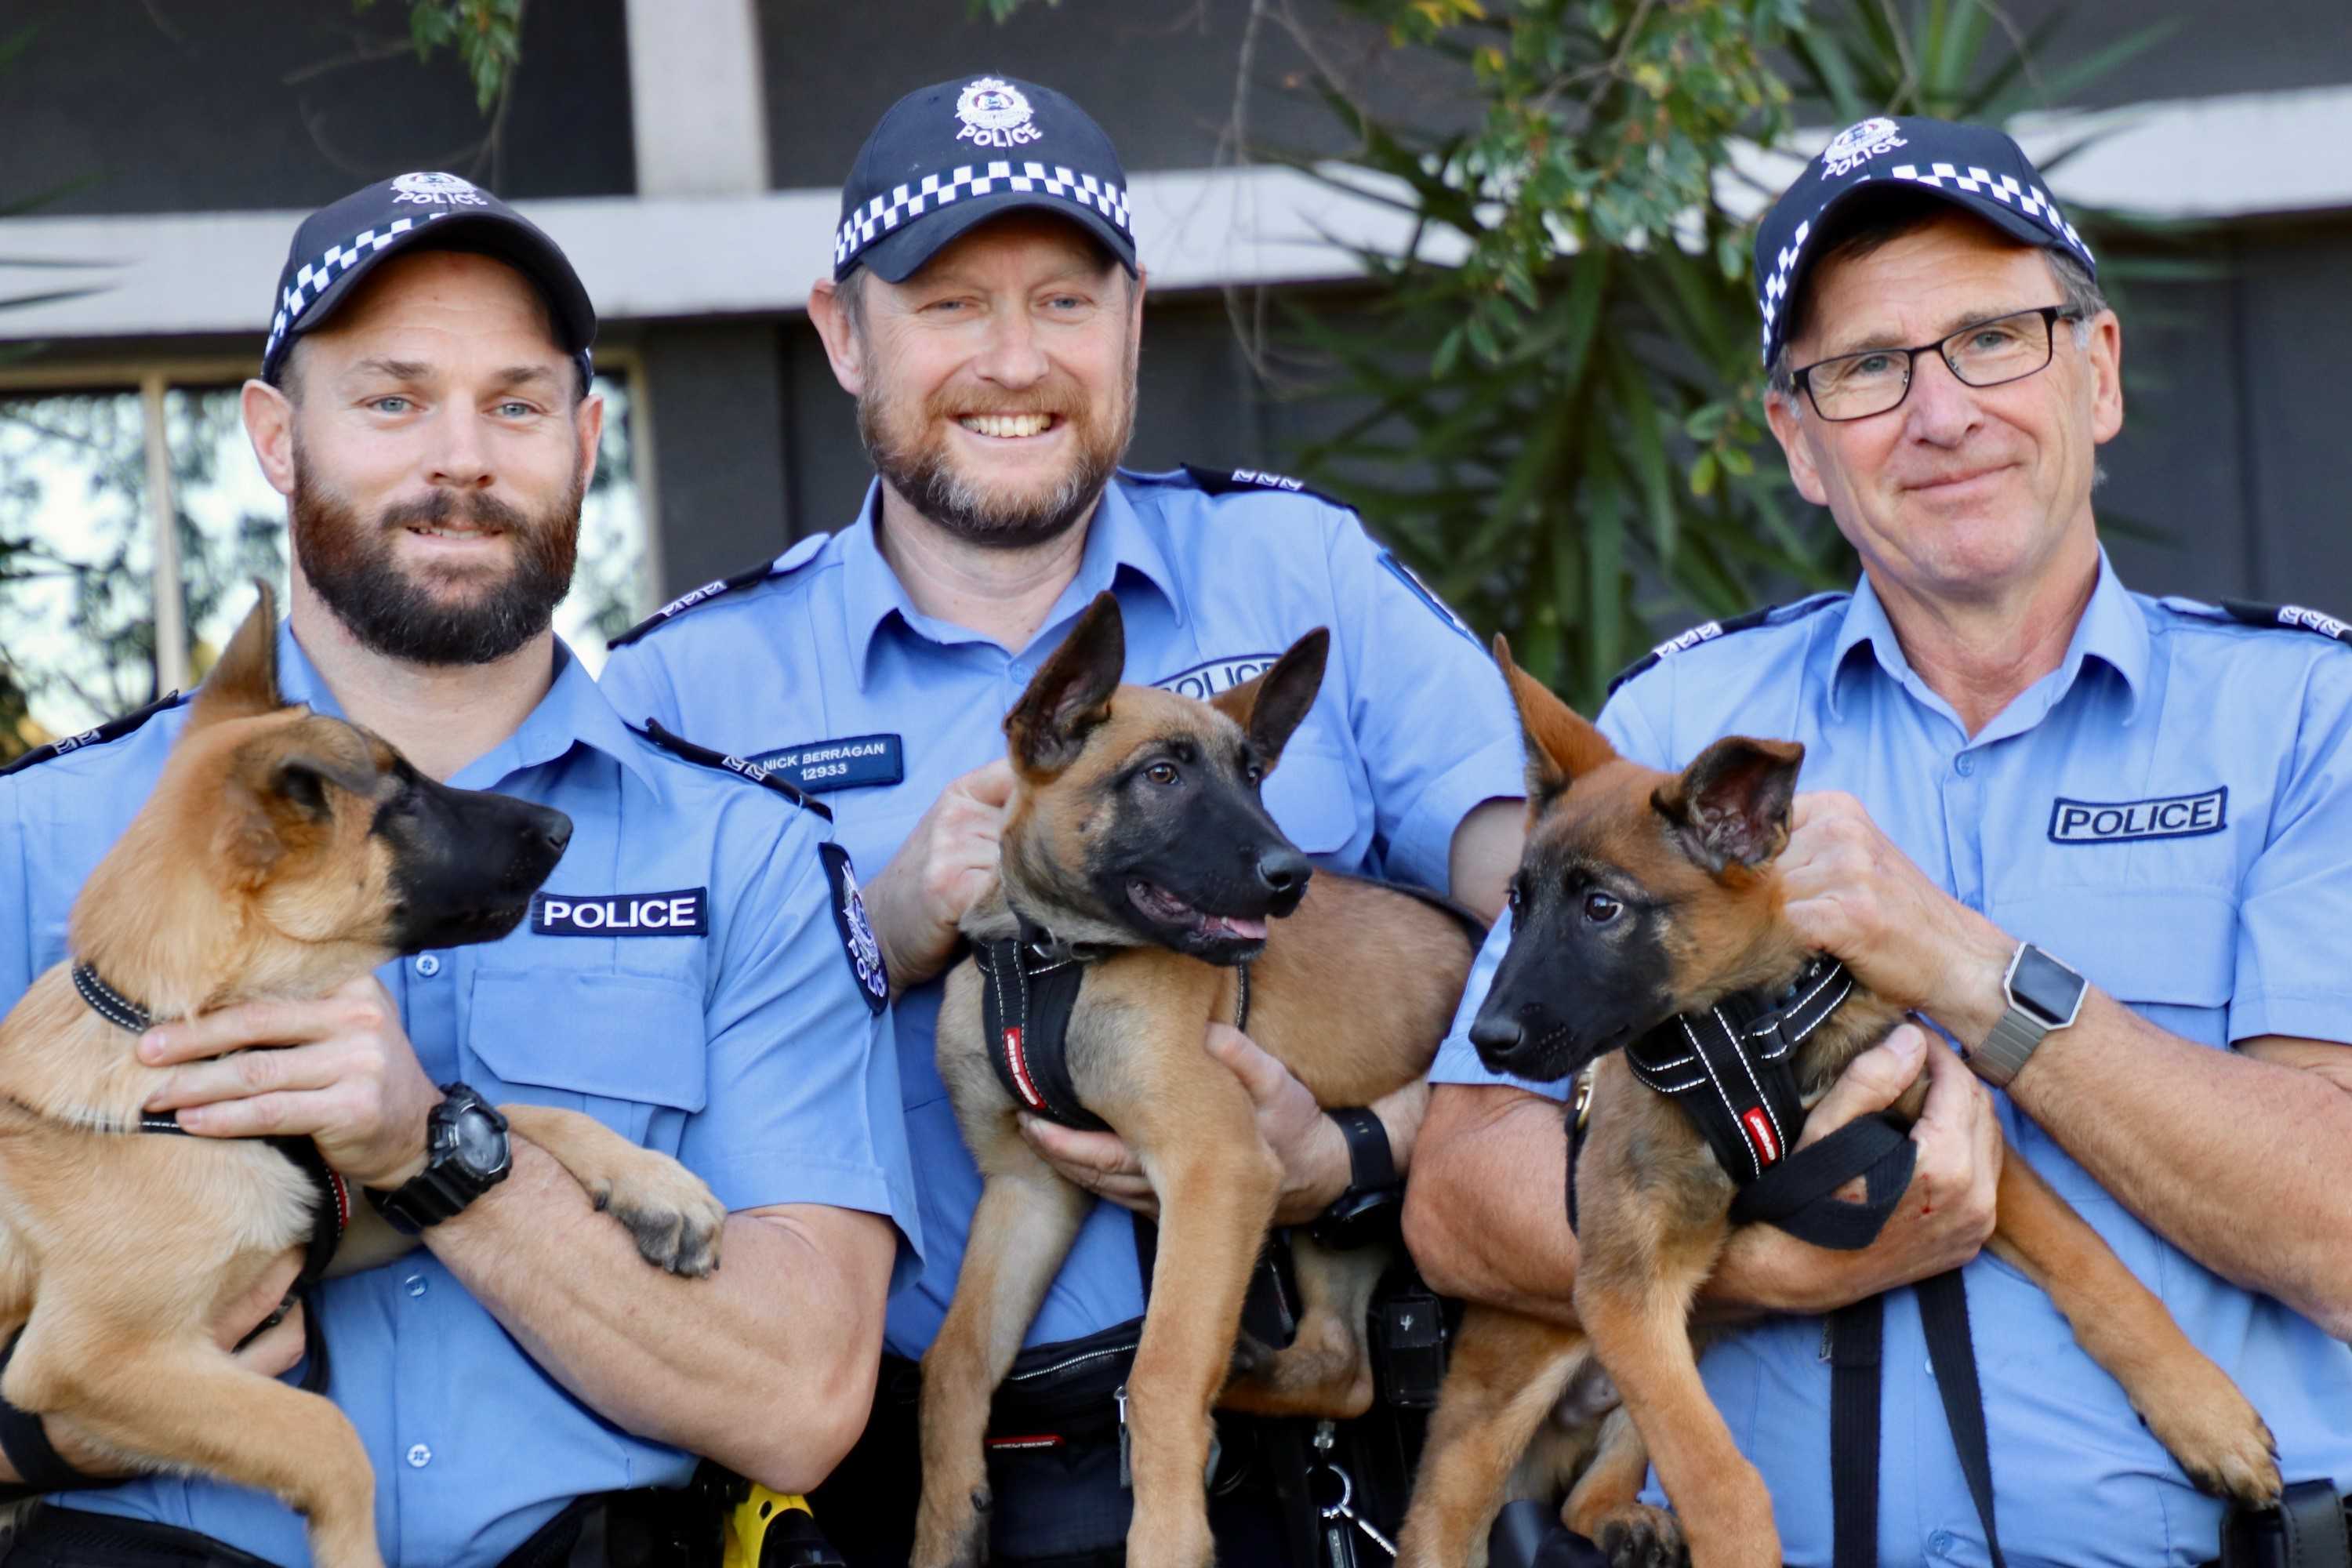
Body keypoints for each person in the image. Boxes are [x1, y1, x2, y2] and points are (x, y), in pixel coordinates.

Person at [597, 74, 1526, 1566]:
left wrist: (1368, 1142)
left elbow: (1542, 913)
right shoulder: (686, 682)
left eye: (1064, 303)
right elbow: (598, 1080)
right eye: (953, 305)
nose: (1015, 359)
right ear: (844, 331)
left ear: (1133, 322)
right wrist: (871, 934)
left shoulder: (1301, 566)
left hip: (1312, 1468)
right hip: (884, 1473)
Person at [1405, 115, 2352, 1567]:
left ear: (2096, 372)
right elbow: (1463, 1197)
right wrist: (1776, 1269)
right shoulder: (1675, 724)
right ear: (1798, 441)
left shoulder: (2304, 718)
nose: (1941, 410)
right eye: (1865, 369)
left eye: (1994, 337)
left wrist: (1975, 974)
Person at [0, 172, 920, 1567]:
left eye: (515, 403)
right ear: (274, 436)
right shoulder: (33, 841)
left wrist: (445, 1157)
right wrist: (41, 1427)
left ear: (586, 438)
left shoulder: (753, 857)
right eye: (390, 400)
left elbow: (799, 1406)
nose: (461, 457)